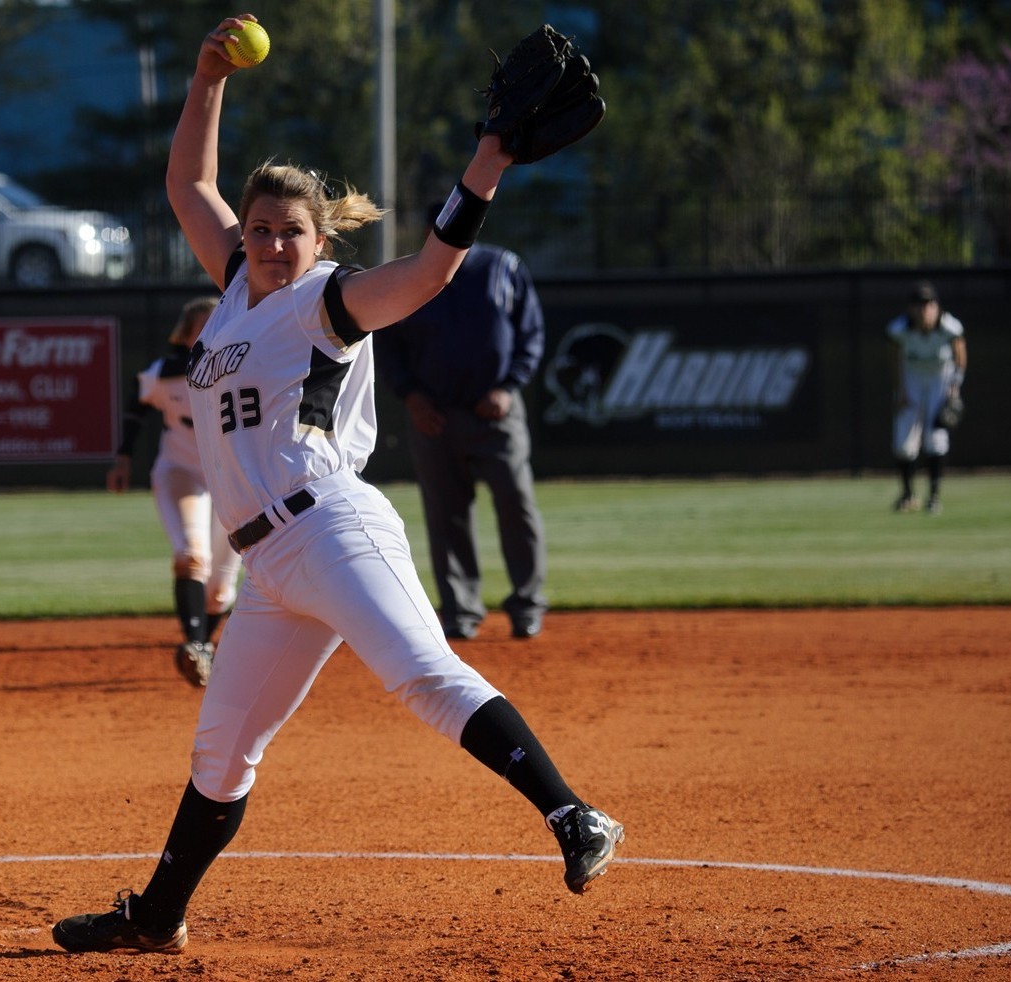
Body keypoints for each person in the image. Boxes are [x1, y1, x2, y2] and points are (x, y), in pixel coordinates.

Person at [52, 14, 622, 955]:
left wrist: (487, 161)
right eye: (261, 229)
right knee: (221, 752)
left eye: (291, 232)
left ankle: (573, 814)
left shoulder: (326, 301)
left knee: (422, 676)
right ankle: (156, 917)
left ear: (320, 241)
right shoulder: (234, 293)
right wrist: (207, 78)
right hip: (267, 567)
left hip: (329, 526)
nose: (272, 243)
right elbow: (187, 185)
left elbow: (431, 273)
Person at [376, 227, 549, 641]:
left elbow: (531, 333)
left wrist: (508, 387)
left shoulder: (502, 267)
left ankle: (527, 604)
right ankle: (460, 611)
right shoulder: (411, 273)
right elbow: (387, 344)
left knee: (516, 502)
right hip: (433, 417)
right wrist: (411, 396)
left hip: (495, 413)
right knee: (445, 514)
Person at [107, 296, 241, 685]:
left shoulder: (246, 367)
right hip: (181, 472)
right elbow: (136, 405)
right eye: (203, 326)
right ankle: (195, 645)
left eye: (220, 322)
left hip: (232, 479)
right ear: (184, 336)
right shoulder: (164, 375)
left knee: (220, 591)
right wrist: (123, 458)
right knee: (190, 555)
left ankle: (204, 645)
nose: (213, 330)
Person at [888, 280, 967, 515]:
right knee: (903, 442)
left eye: (929, 304)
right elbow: (893, 358)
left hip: (940, 378)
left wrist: (955, 388)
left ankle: (933, 496)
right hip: (911, 377)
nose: (925, 310)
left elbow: (960, 356)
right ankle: (908, 495)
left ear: (936, 306)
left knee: (936, 438)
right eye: (919, 305)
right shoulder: (900, 329)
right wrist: (899, 391)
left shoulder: (949, 326)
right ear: (911, 308)